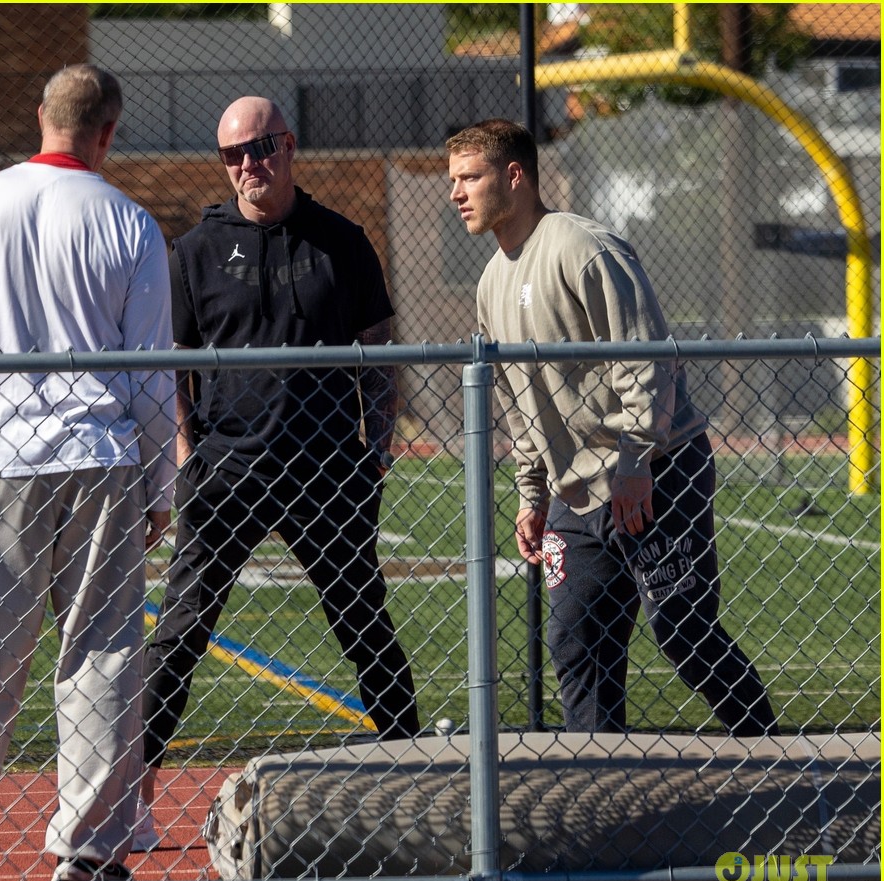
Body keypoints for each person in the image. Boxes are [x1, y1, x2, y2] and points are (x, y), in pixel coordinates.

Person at [0, 64, 176, 881]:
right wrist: (159, 487)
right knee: (104, 656)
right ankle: (87, 850)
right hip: (101, 458)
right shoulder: (129, 221)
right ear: (109, 132)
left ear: (40, 116)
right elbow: (151, 374)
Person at [139, 96, 421, 830]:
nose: (248, 166)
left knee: (361, 618)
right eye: (233, 154)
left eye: (261, 148)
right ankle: (129, 786)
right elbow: (175, 360)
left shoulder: (341, 240)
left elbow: (380, 349)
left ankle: (415, 768)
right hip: (227, 470)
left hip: (328, 470)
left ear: (289, 146)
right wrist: (181, 448)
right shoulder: (195, 250)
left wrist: (377, 447)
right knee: (180, 630)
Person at [446, 119, 778, 736]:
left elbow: (645, 358)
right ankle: (603, 787)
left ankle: (776, 768)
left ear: (514, 176)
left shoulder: (581, 246)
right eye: (454, 180)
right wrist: (532, 495)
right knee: (576, 644)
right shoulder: (491, 282)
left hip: (656, 474)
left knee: (684, 632)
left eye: (470, 177)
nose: (456, 193)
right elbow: (521, 404)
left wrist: (633, 465)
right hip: (576, 499)